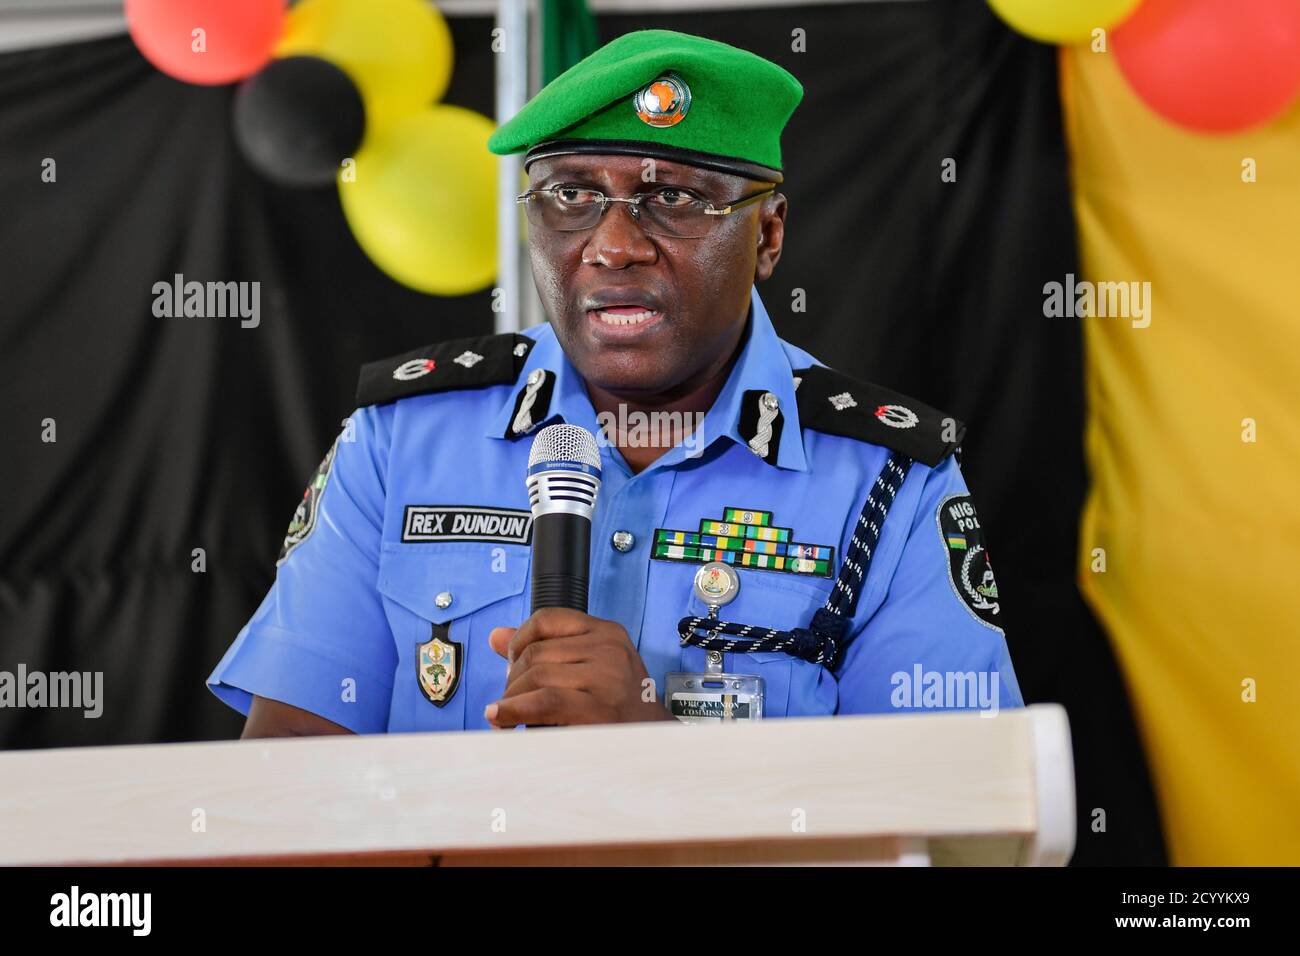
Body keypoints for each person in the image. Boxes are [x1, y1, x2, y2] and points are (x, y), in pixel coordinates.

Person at [207, 29, 1022, 737]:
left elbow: (954, 818)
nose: (614, 245)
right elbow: (292, 767)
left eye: (673, 196)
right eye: (571, 194)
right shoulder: (402, 440)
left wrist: (653, 750)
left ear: (768, 235)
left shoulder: (889, 479)